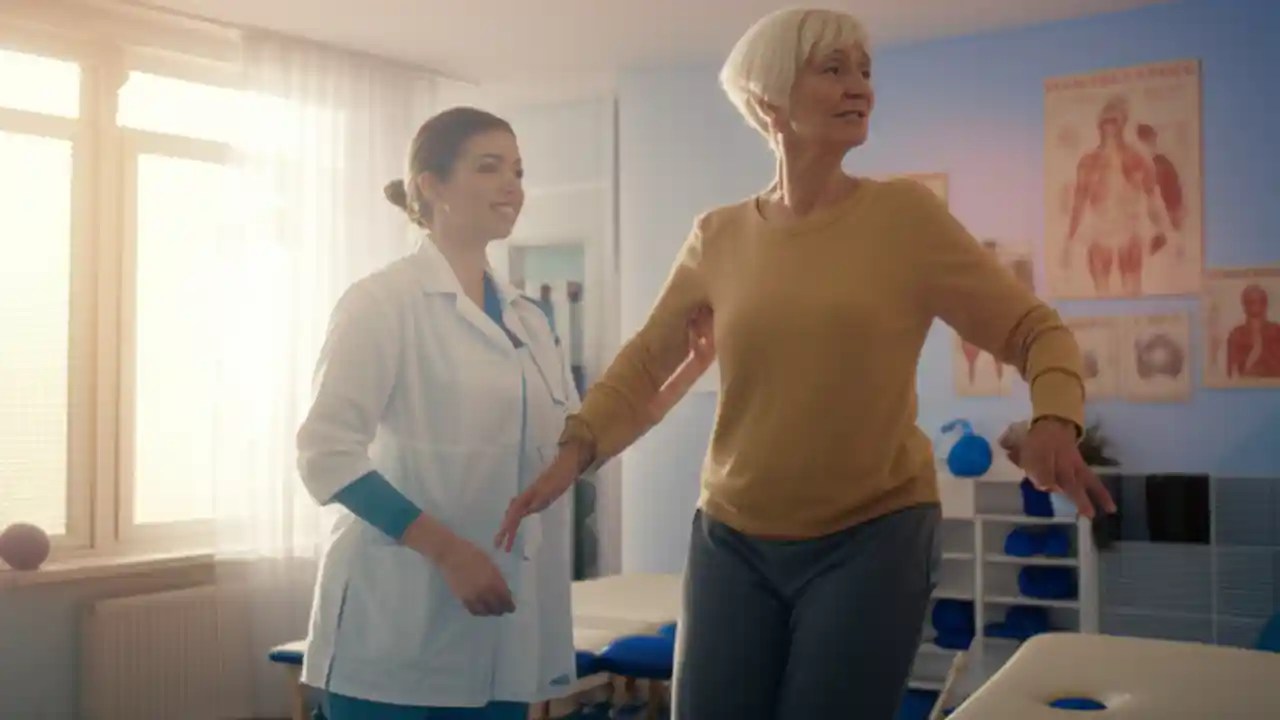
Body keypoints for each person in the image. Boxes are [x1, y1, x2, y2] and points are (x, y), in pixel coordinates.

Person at [495, 8, 1116, 720]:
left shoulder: (906, 218)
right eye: (833, 69)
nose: (860, 87)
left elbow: (1036, 332)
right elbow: (643, 365)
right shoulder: (718, 235)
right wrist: (573, 451)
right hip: (731, 536)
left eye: (865, 70)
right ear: (770, 103)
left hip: (872, 536)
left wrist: (1056, 422)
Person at [294, 106, 582, 720]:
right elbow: (326, 453)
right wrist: (450, 551)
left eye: (519, 170)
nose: (513, 186)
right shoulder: (381, 302)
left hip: (501, 624)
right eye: (489, 167)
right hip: (396, 621)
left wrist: (683, 373)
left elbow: (572, 443)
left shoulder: (531, 321)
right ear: (431, 183)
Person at [1061, 95, 1172, 296]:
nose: (1109, 127)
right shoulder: (1088, 161)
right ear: (1099, 125)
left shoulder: (1137, 158)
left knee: (1132, 289)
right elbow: (1079, 202)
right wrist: (1068, 241)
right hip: (1099, 230)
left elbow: (1152, 198)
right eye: (1106, 122)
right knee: (1102, 291)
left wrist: (1164, 231)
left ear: (1123, 123)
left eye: (1114, 121)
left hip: (1129, 228)